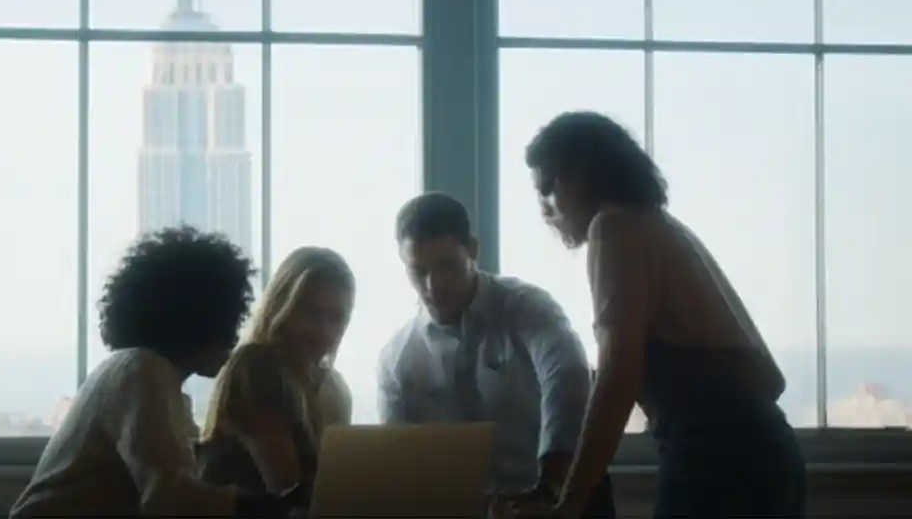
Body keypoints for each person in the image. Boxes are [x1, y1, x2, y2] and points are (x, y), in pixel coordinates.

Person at [513, 111, 806, 519]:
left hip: (717, 460)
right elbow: (770, 380)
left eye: (546, 189)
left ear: (574, 177)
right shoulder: (661, 227)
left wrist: (570, 504)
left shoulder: (612, 227)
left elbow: (619, 376)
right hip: (763, 452)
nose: (546, 210)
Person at [9, 227, 306, 519]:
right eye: (227, 321)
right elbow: (170, 499)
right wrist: (272, 506)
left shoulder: (139, 374)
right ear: (194, 320)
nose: (232, 338)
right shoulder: (142, 373)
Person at [377, 192, 615, 518]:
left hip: (555, 492)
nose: (433, 286)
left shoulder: (526, 307)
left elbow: (568, 373)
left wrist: (552, 485)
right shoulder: (396, 360)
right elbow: (400, 459)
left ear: (473, 250)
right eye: (419, 272)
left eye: (446, 266)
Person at [198, 246, 356, 495]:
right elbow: (285, 488)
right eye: (312, 312)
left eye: (336, 317)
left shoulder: (334, 385)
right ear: (283, 305)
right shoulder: (257, 366)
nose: (323, 330)